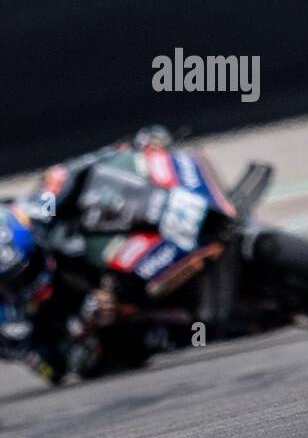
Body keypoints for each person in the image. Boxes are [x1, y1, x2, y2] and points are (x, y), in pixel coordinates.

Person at [0, 127, 177, 383]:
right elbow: (58, 367)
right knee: (119, 353)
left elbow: (68, 173)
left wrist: (128, 149)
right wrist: (82, 324)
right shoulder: (8, 326)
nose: (29, 277)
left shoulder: (35, 213)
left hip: (100, 256)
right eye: (16, 278)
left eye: (29, 266)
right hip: (92, 322)